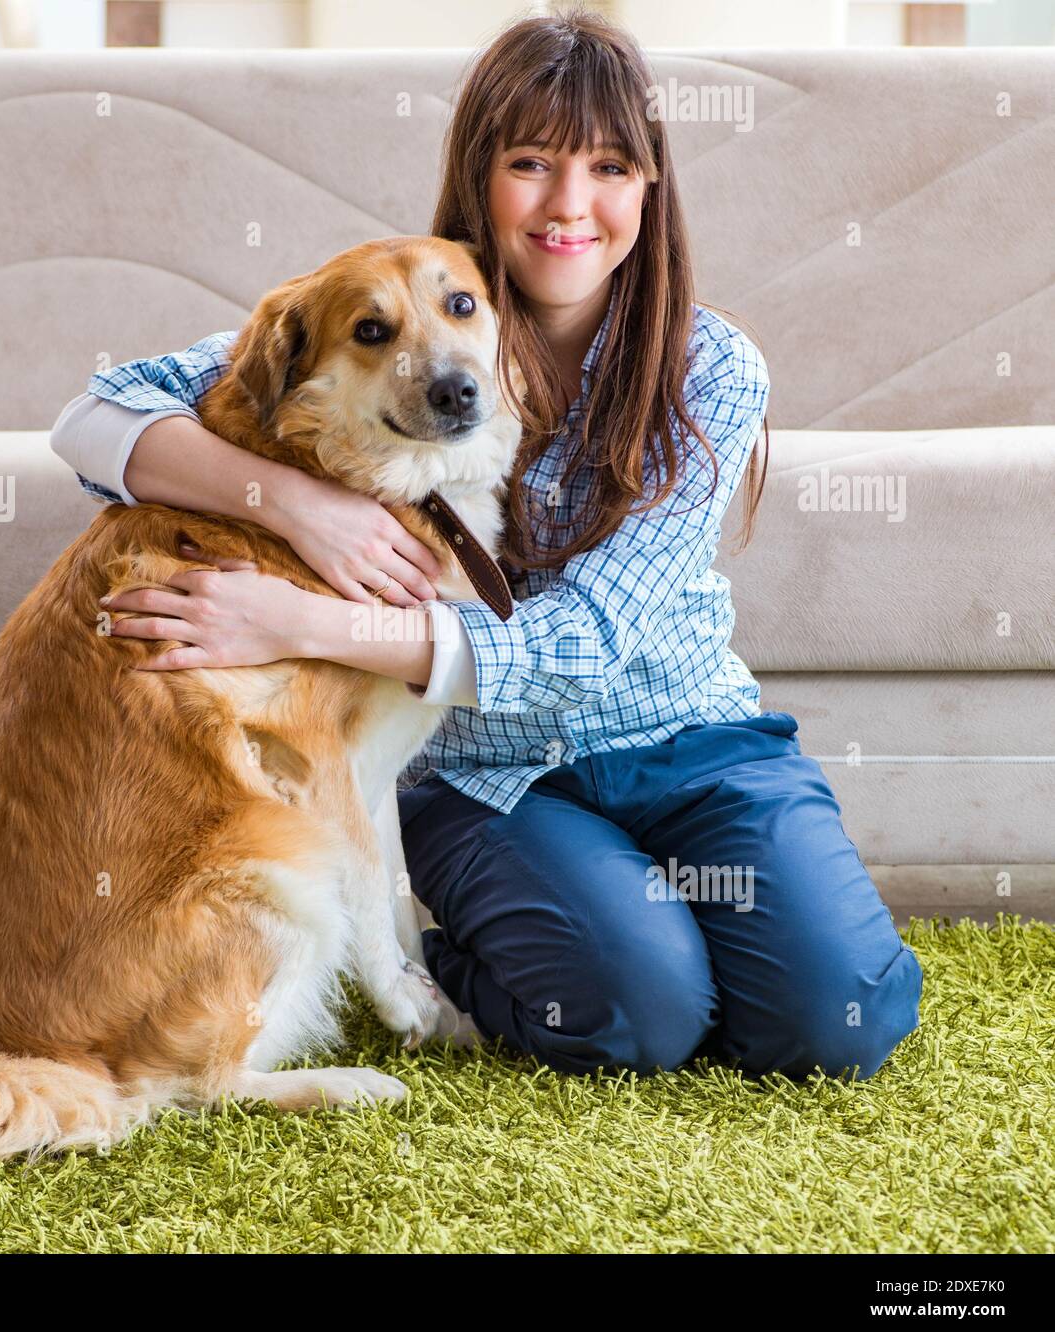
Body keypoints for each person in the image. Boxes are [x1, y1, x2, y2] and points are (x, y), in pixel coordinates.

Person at [50, 8, 922, 1082]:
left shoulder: (709, 365)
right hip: (489, 776)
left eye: (609, 166)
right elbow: (91, 418)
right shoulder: (405, 297)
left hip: (690, 743)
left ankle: (657, 920)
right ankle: (494, 946)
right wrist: (295, 505)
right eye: (530, 163)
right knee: (633, 1018)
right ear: (480, 178)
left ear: (650, 187)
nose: (569, 205)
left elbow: (586, 640)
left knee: (839, 1020)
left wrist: (300, 620)